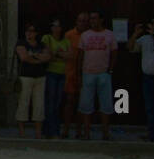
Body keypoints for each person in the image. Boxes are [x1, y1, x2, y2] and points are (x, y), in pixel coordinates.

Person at [78, 11, 117, 140]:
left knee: (106, 104)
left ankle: (105, 132)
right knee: (86, 104)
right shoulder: (85, 35)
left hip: (103, 73)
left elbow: (114, 53)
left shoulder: (109, 35)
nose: (92, 21)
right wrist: (80, 72)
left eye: (94, 18)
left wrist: (110, 70)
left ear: (101, 19)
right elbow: (80, 54)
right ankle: (87, 133)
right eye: (91, 19)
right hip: (88, 73)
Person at [14, 23, 50, 138]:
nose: (29, 33)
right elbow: (23, 57)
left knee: (39, 104)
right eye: (27, 30)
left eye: (32, 31)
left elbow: (48, 56)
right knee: (23, 102)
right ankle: (21, 132)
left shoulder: (41, 44)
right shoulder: (21, 43)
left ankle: (38, 132)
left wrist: (33, 57)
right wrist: (38, 59)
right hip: (26, 76)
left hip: (40, 77)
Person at [42, 18, 72, 138]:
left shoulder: (66, 41)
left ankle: (52, 129)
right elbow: (48, 55)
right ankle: (51, 130)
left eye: (57, 26)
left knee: (58, 103)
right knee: (50, 102)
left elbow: (70, 56)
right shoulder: (47, 38)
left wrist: (56, 54)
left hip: (62, 74)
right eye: (53, 26)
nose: (55, 28)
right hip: (50, 73)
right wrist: (60, 54)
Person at [62, 11, 89, 139]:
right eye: (80, 21)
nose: (82, 23)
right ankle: (66, 129)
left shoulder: (89, 36)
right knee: (70, 101)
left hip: (86, 72)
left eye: (84, 21)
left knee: (82, 103)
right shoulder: (69, 35)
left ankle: (79, 130)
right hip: (70, 72)